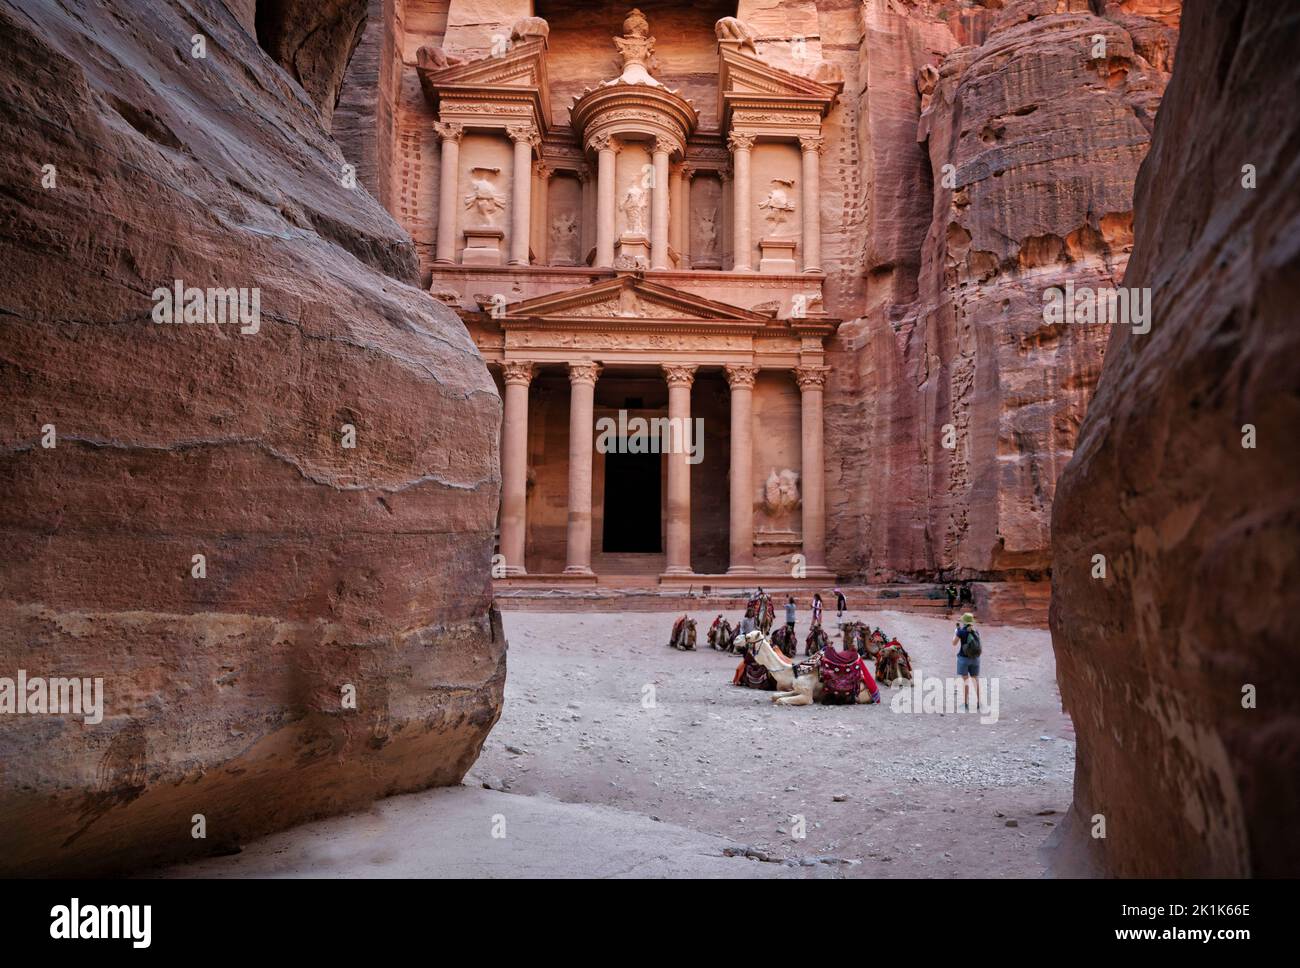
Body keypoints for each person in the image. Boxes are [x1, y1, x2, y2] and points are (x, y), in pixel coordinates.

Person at [953, 612, 982, 711]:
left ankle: (965, 703)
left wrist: (956, 632)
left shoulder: (961, 632)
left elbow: (954, 643)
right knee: (975, 680)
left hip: (964, 659)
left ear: (964, 622)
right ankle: (978, 703)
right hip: (975, 659)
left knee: (965, 681)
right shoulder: (976, 631)